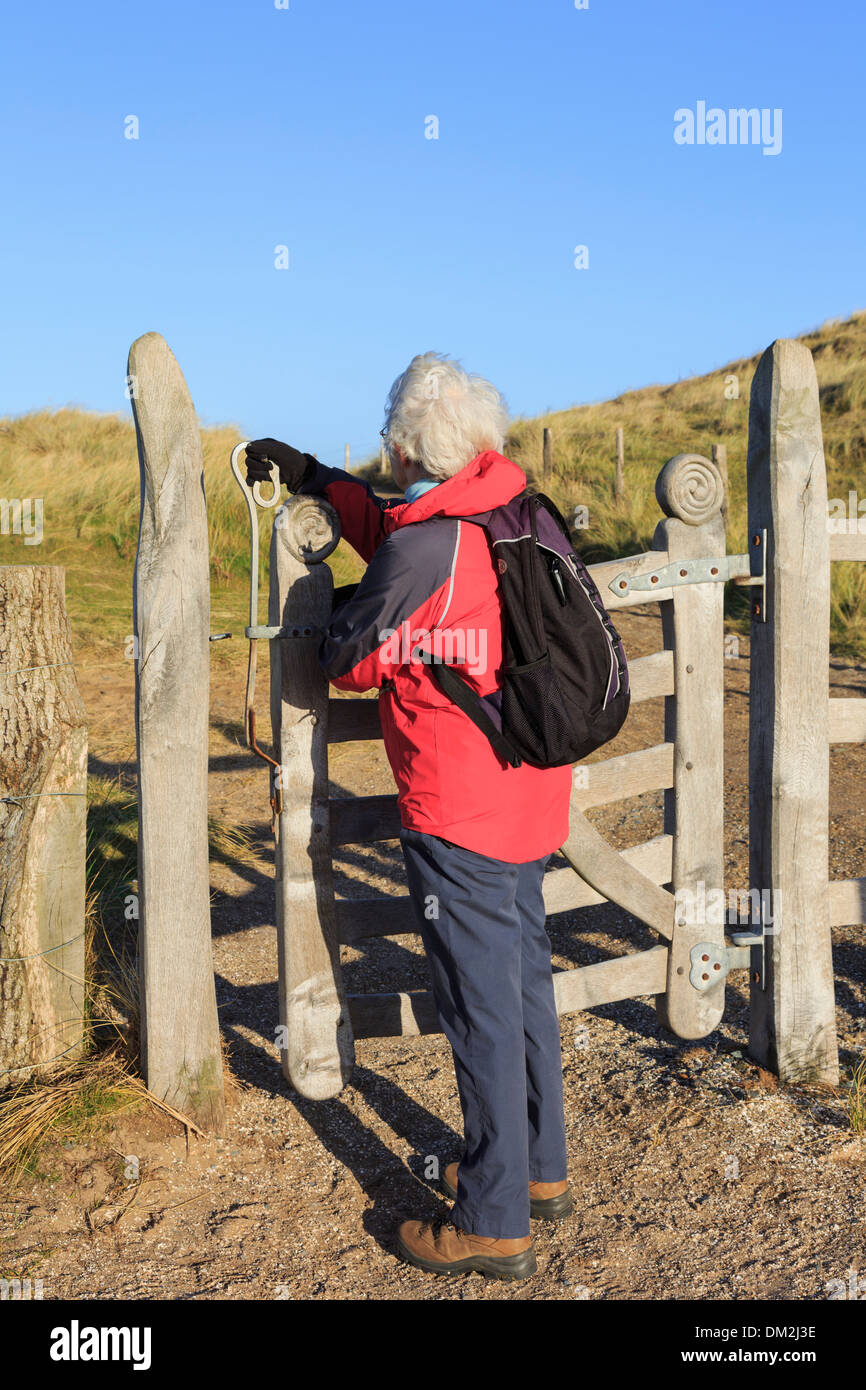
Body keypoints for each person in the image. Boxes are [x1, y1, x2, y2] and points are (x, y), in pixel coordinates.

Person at [245, 351, 573, 1281]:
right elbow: (405, 526)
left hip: (459, 800)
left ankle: (493, 1218)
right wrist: (317, 480)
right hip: (525, 787)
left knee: (475, 1007)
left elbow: (352, 658)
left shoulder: (428, 550)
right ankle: (539, 1170)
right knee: (521, 986)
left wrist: (349, 608)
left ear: (401, 446)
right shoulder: (512, 505)